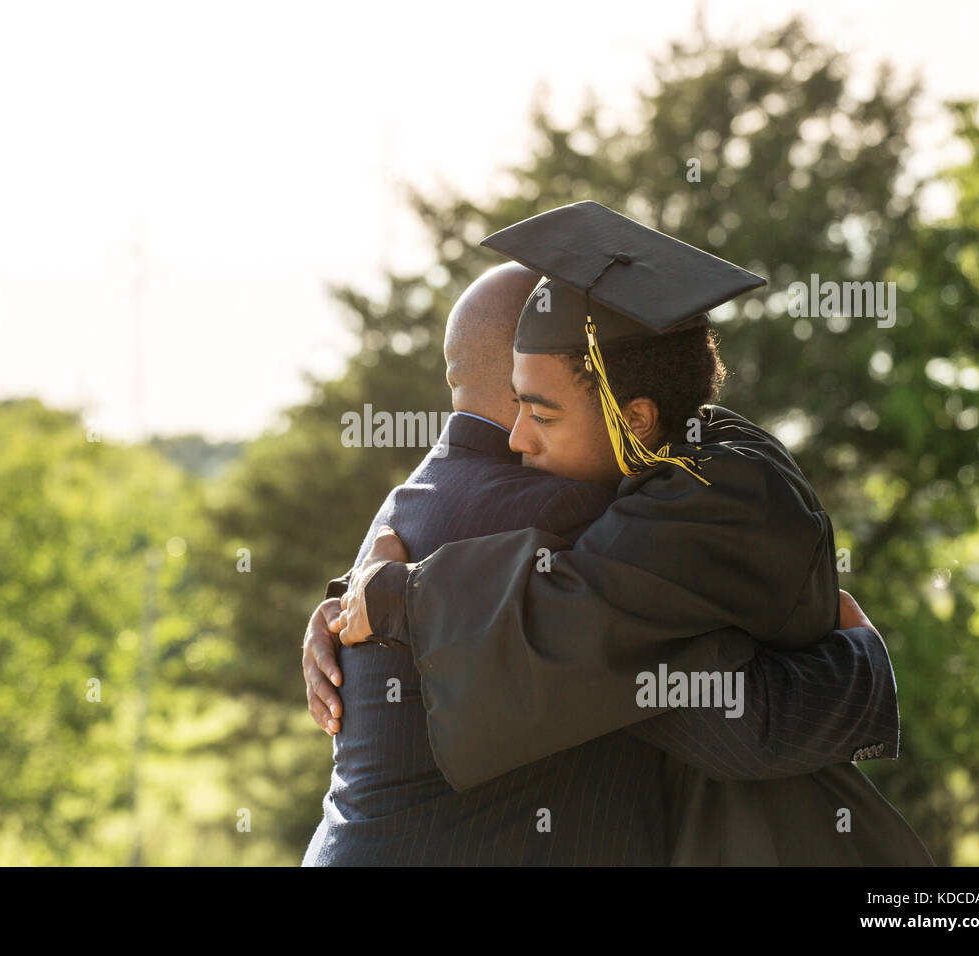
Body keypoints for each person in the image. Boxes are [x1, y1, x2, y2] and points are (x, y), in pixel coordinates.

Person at [326, 201, 932, 864]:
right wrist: (864, 664)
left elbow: (706, 711)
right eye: (526, 407)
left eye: (544, 415)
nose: (523, 438)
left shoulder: (408, 504)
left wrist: (373, 594)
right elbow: (723, 717)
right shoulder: (594, 507)